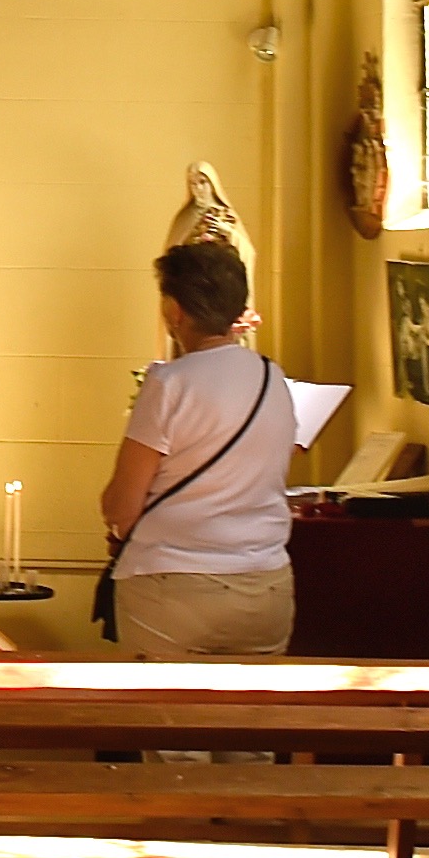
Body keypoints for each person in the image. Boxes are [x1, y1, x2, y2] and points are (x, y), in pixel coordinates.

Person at [95, 239, 305, 657]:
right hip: (265, 587)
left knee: (165, 718)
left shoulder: (169, 384)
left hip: (176, 591)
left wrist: (118, 526)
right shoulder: (272, 379)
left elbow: (123, 505)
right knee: (248, 719)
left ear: (175, 311)